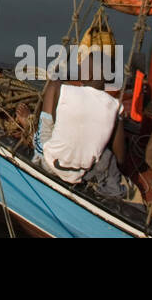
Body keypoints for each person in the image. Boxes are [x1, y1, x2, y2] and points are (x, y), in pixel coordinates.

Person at [21, 47, 138, 201]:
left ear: (89, 73)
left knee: (50, 108)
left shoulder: (60, 89)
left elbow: (53, 119)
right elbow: (121, 159)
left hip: (49, 163)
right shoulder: (115, 106)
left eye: (82, 66)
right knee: (105, 153)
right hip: (81, 172)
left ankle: (29, 125)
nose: (78, 68)